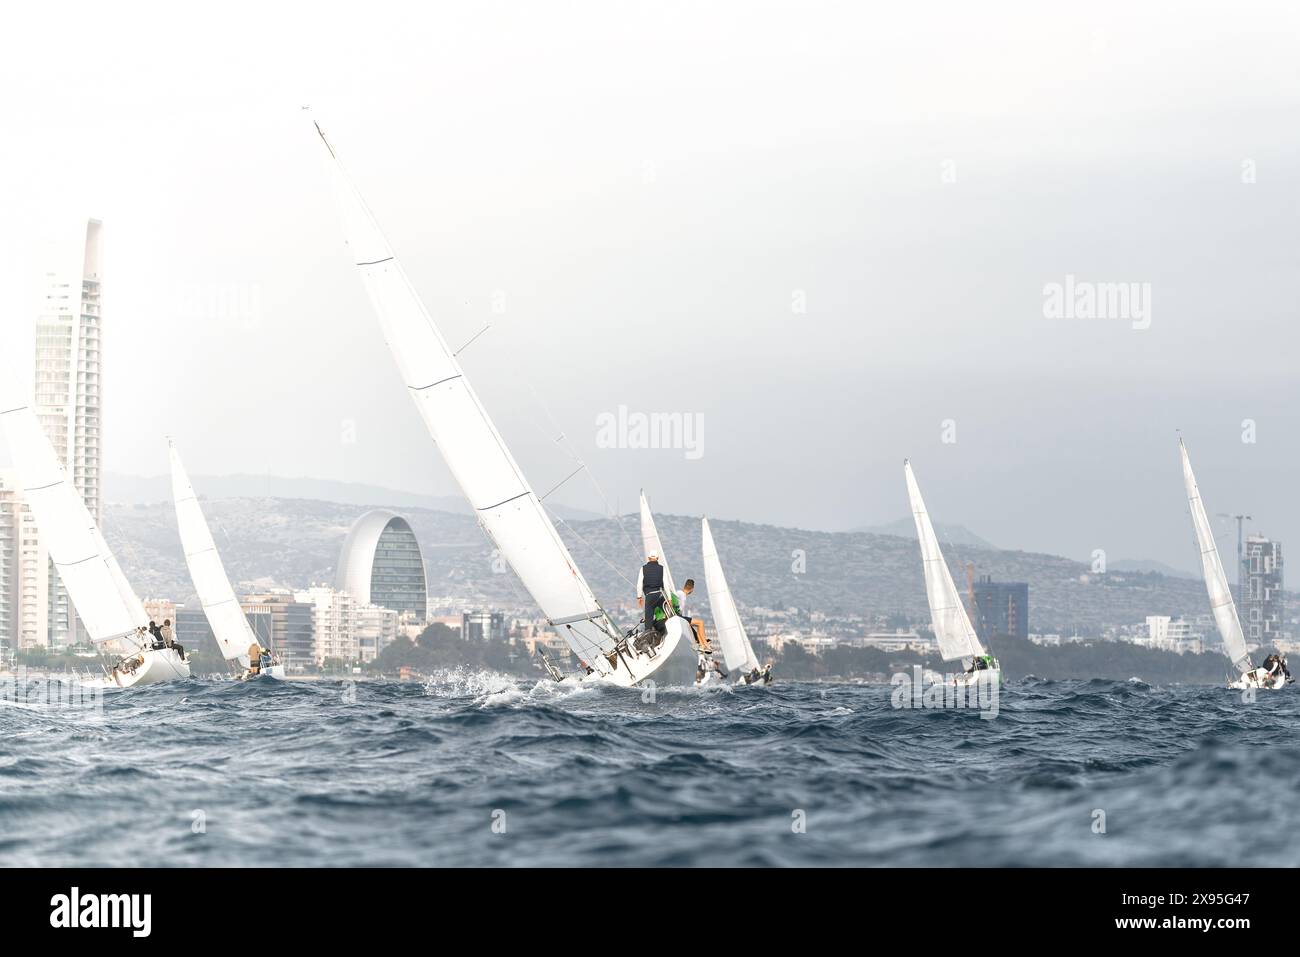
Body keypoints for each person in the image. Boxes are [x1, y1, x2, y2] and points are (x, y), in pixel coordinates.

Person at [636, 553, 668, 642]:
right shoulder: (662, 568)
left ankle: (649, 640)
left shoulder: (643, 568)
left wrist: (639, 597)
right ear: (657, 558)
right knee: (669, 614)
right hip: (660, 595)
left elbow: (639, 584)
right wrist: (668, 598)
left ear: (648, 558)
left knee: (648, 621)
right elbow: (666, 584)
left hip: (649, 596)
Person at [675, 579, 712, 652]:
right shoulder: (680, 593)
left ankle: (702, 644)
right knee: (700, 623)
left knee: (697, 624)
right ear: (692, 589)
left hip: (680, 617)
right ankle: (705, 644)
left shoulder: (682, 594)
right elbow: (673, 599)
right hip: (678, 617)